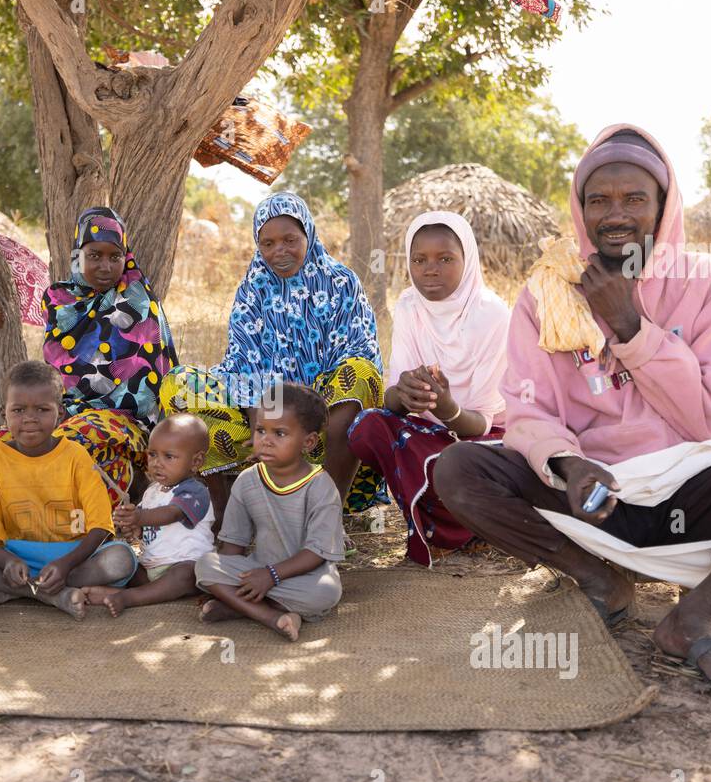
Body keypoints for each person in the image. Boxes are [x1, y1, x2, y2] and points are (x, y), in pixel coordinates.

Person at [433, 124, 711, 707]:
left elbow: (706, 418)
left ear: (664, 208)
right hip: (596, 500)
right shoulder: (548, 292)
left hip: (698, 490)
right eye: (599, 200)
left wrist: (630, 327)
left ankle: (691, 617)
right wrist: (567, 465)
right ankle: (601, 581)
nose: (616, 214)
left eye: (635, 198)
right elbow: (529, 407)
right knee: (459, 467)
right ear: (580, 208)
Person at [160, 192, 384, 522]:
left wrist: (300, 419)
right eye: (268, 243)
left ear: (308, 233)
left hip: (324, 429)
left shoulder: (341, 282)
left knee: (361, 372)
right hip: (261, 419)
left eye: (290, 239)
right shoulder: (253, 288)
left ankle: (326, 515)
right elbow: (245, 364)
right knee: (178, 384)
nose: (279, 251)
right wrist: (264, 434)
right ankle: (224, 519)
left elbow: (357, 354)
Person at [348, 211, 510, 565]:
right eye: (419, 259)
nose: (429, 269)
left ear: (467, 261)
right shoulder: (409, 305)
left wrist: (445, 407)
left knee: (455, 460)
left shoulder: (493, 315)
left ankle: (475, 525)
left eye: (445, 258)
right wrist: (405, 394)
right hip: (427, 433)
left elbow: (482, 422)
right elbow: (391, 401)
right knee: (368, 427)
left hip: (484, 439)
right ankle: (436, 527)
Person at [0, 360, 138, 621]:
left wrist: (66, 563)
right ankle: (48, 595)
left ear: (59, 413)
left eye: (41, 409)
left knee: (121, 558)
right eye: (19, 410)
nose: (30, 419)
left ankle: (6, 593)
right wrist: (6, 561)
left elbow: (101, 527)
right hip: (12, 558)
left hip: (68, 557)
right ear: (4, 414)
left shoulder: (75, 456)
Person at [37, 206, 180, 503]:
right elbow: (54, 375)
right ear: (78, 256)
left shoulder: (137, 303)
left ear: (125, 256)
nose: (105, 266)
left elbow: (148, 392)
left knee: (76, 442)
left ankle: (84, 527)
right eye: (94, 256)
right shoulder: (59, 301)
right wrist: (56, 408)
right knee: (5, 443)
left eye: (115, 256)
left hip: (125, 422)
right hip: (66, 412)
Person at [195, 384, 345, 642]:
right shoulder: (247, 481)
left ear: (308, 442)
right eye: (261, 430)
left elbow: (317, 553)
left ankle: (241, 607)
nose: (265, 439)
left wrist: (271, 576)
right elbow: (232, 546)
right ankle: (271, 616)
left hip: (304, 577)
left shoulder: (321, 486)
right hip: (257, 569)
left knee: (326, 593)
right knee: (205, 565)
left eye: (280, 433)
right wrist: (224, 581)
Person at [82, 413, 215, 617]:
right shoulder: (152, 491)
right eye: (153, 454)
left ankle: (127, 598)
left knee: (186, 575)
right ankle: (129, 591)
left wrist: (139, 517)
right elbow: (146, 529)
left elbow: (171, 514)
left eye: (168, 457)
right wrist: (131, 528)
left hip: (184, 565)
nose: (157, 463)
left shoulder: (195, 491)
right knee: (127, 564)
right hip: (151, 566)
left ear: (196, 461)